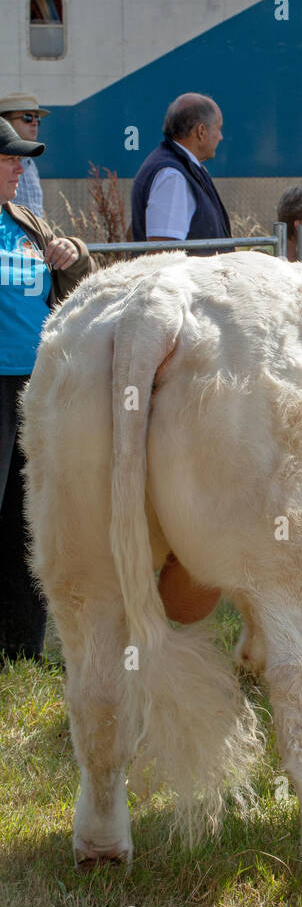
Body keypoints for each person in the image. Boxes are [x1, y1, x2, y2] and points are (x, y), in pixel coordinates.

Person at [0, 117, 94, 660]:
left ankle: (20, 650)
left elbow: (79, 288)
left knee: (25, 520)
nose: (20, 167)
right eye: (10, 158)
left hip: (33, 388)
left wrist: (74, 252)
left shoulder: (27, 221)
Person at [131, 93, 231, 250]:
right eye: (219, 129)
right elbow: (163, 253)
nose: (220, 137)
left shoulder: (180, 167)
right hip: (188, 276)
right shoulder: (172, 176)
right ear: (201, 131)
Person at [0, 92, 49, 219]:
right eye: (27, 117)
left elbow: (37, 212)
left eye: (37, 118)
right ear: (5, 122)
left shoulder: (30, 163)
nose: (34, 123)